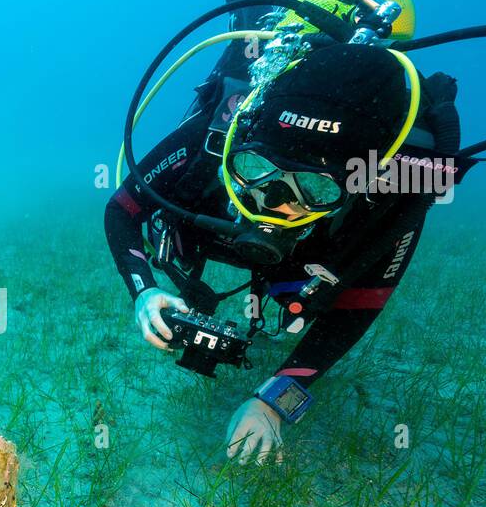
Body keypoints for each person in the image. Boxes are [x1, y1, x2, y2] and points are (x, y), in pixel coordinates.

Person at [106, 39, 460, 465]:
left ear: (360, 185)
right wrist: (143, 289)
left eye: (315, 189)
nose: (273, 202)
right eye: (255, 169)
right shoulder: (225, 129)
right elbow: (123, 209)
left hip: (313, 252)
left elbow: (356, 312)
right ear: (241, 144)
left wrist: (276, 402)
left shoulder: (391, 194)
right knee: (247, 41)